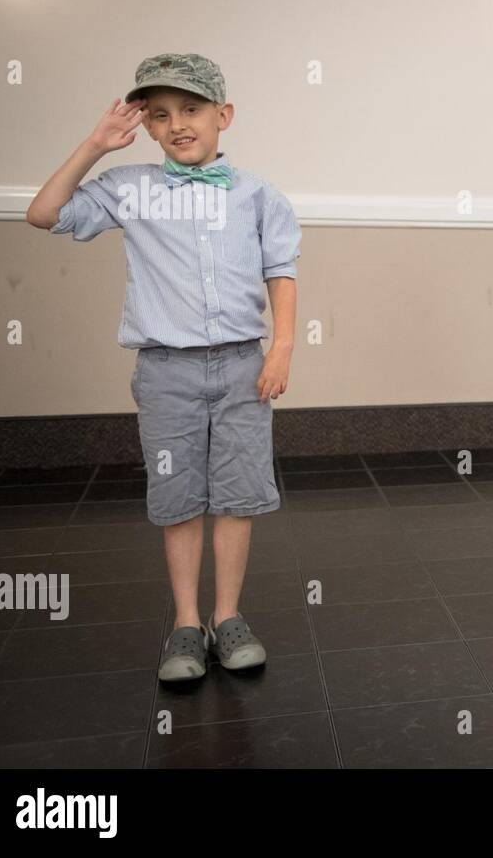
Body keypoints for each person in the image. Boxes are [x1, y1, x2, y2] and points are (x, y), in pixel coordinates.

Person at [25, 53, 301, 680]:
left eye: (193, 109)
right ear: (146, 127)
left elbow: (279, 271)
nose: (178, 124)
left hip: (240, 368)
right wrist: (95, 146)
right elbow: (44, 214)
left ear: (223, 116)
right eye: (160, 114)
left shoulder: (259, 195)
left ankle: (227, 618)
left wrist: (281, 347)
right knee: (177, 497)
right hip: (165, 373)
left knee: (235, 495)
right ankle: (184, 623)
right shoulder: (129, 189)